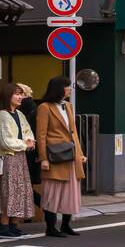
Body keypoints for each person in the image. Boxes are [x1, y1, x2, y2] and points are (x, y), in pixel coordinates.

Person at [35, 76, 87, 237]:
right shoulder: (44, 107)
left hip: (71, 154)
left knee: (70, 190)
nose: (70, 89)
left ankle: (66, 225)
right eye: (67, 86)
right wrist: (43, 158)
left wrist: (80, 154)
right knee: (52, 191)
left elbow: (74, 132)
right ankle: (51, 227)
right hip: (54, 155)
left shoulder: (68, 106)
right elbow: (41, 134)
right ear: (59, 89)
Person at [0, 83, 36, 237]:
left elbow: (28, 132)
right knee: (8, 191)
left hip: (20, 157)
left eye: (21, 94)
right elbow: (5, 141)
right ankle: (4, 226)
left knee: (20, 191)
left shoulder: (19, 114)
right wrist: (25, 144)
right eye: (16, 94)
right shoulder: (3, 115)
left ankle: (14, 224)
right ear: (7, 96)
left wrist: (29, 141)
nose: (20, 97)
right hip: (9, 158)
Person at [16, 82, 44, 222]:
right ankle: (28, 214)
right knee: (26, 185)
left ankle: (46, 207)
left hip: (27, 152)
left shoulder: (26, 110)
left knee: (24, 185)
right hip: (31, 153)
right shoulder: (33, 108)